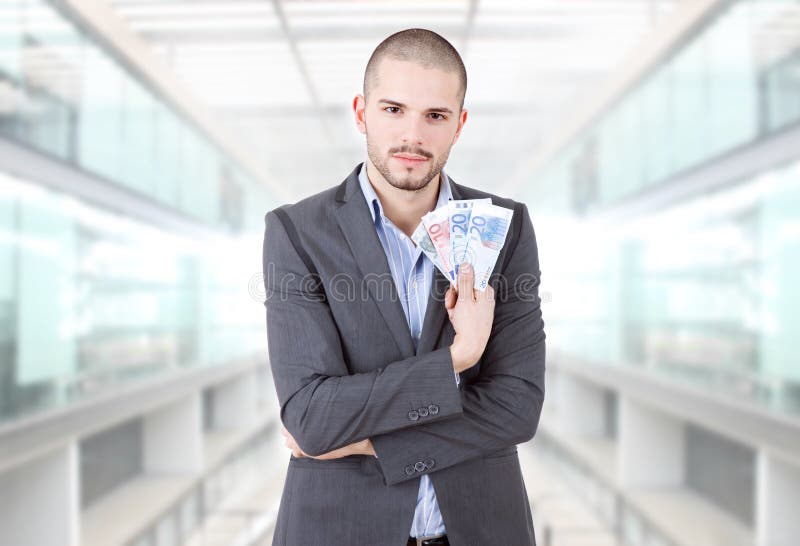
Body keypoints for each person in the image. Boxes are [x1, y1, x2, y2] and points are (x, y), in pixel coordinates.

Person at [262, 27, 546, 546]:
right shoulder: (298, 233)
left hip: (481, 529)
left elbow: (517, 407)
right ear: (361, 112)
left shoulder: (505, 227)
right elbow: (310, 415)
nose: (413, 136)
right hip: (336, 530)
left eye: (434, 115)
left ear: (458, 125)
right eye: (393, 109)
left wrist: (362, 441)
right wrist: (457, 359)